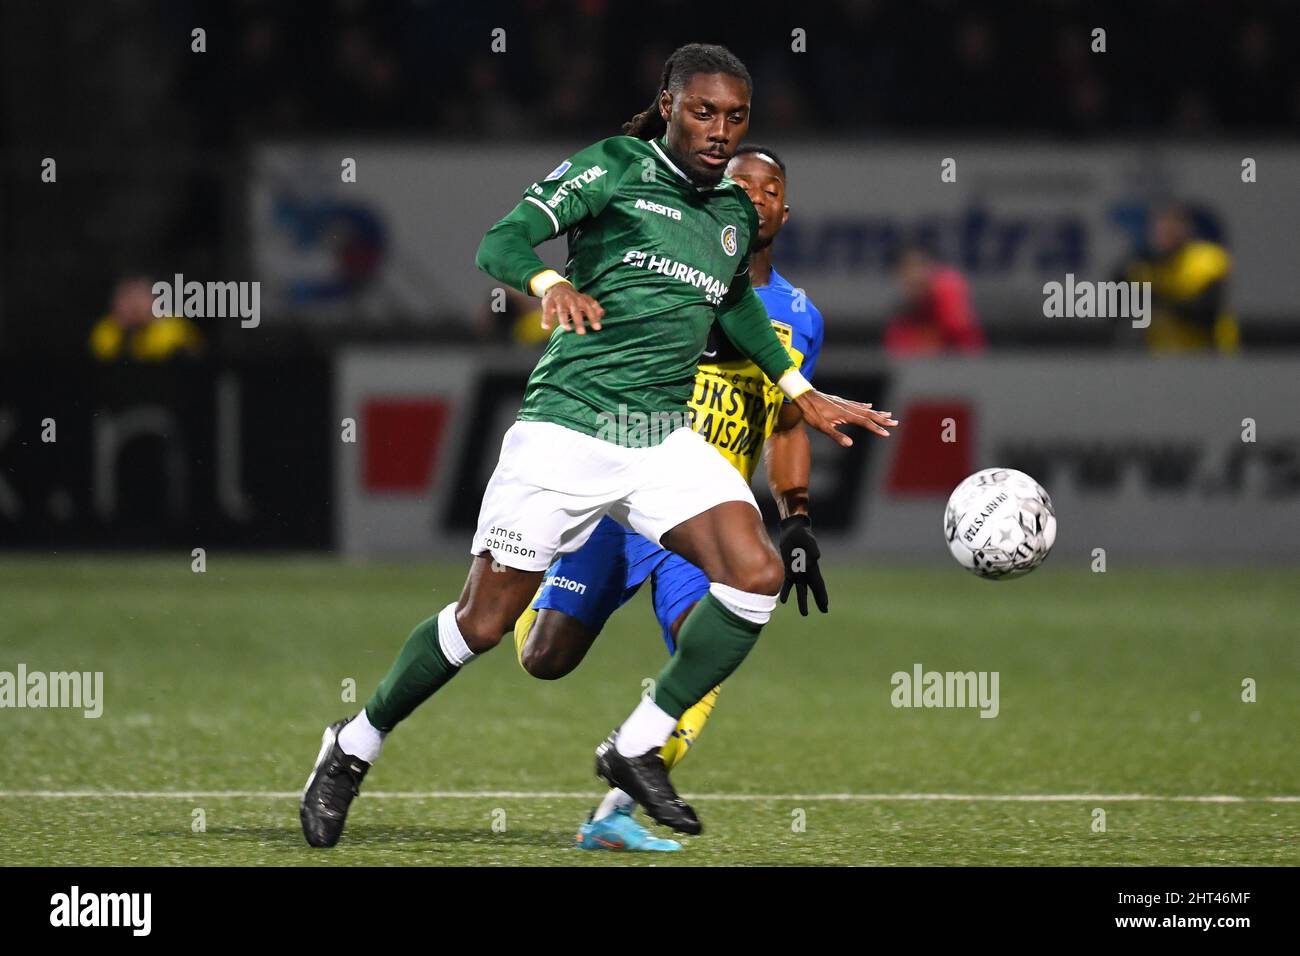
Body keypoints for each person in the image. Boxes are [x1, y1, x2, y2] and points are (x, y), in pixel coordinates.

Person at [300, 43, 896, 849]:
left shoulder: (727, 213)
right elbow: (501, 241)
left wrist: (798, 392)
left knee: (756, 575)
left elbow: (735, 307)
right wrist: (551, 284)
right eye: (704, 111)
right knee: (483, 625)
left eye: (735, 117)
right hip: (569, 427)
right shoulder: (615, 166)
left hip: (659, 437)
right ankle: (354, 744)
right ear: (670, 104)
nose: (720, 131)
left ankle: (638, 745)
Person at [512, 143, 825, 851]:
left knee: (705, 652)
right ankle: (534, 582)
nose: (755, 198)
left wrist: (797, 520)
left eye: (770, 189)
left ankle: (615, 809)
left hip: (708, 518)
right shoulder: (672, 272)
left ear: (784, 208)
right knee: (545, 656)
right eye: (741, 185)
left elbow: (789, 421)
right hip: (625, 498)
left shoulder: (802, 316)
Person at [1120, 203, 1237, 352]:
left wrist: (1158, 298)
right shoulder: (1144, 266)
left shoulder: (1207, 260)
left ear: (1189, 229)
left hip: (1208, 353)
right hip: (1162, 357)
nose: (1169, 233)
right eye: (1163, 228)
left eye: (1175, 226)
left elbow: (1206, 314)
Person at [882, 246, 985, 355]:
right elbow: (899, 359)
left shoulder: (947, 293)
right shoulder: (899, 325)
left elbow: (964, 337)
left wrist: (947, 294)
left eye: (920, 266)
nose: (915, 275)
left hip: (961, 366)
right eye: (907, 269)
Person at [89, 277, 203, 363]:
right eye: (127, 298)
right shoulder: (107, 329)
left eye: (140, 297)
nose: (134, 306)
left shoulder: (173, 328)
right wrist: (125, 334)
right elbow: (101, 353)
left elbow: (196, 353)